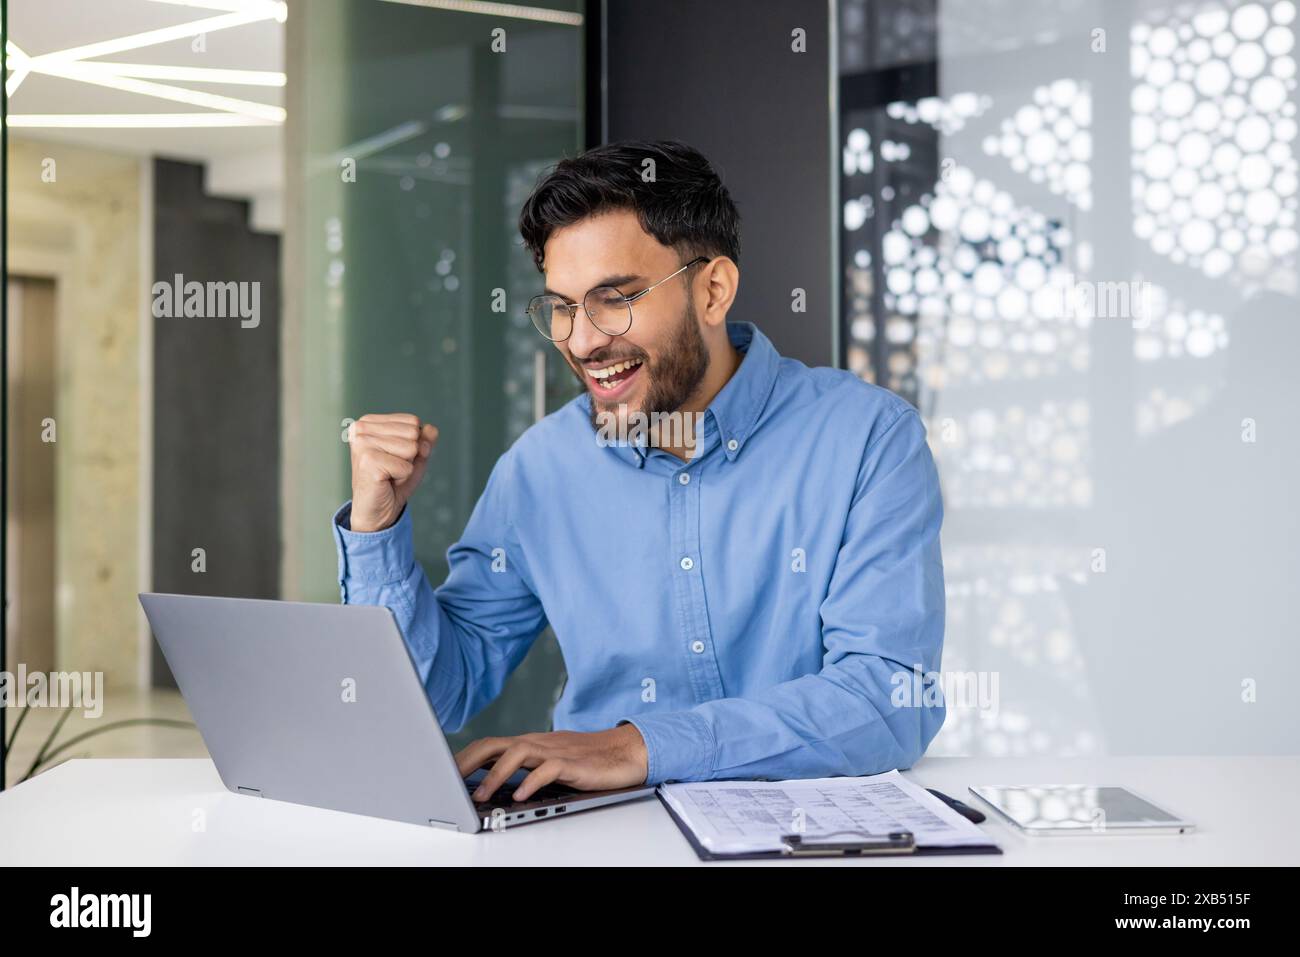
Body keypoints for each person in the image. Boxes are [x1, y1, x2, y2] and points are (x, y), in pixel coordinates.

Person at [333, 140, 946, 803]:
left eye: (615, 299)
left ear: (712, 290)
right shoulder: (540, 469)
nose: (584, 340)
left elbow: (889, 696)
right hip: (599, 836)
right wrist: (377, 526)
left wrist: (638, 745)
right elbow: (441, 691)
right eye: (562, 307)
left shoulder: (867, 439)